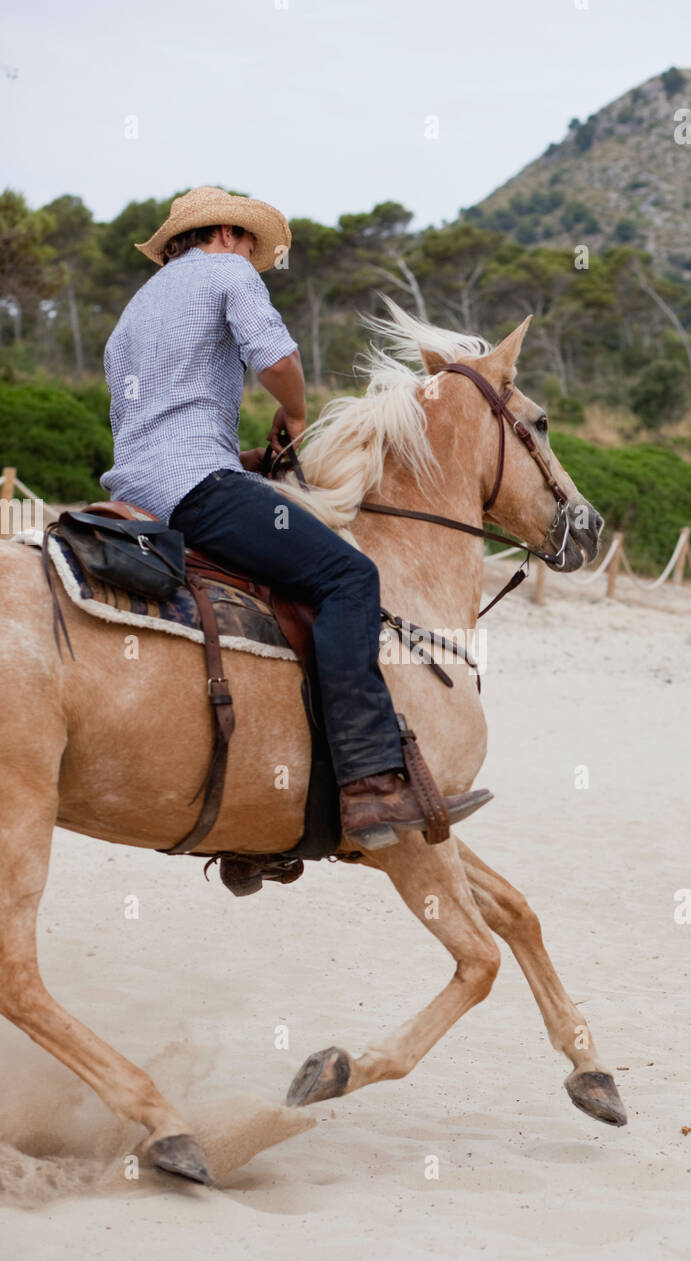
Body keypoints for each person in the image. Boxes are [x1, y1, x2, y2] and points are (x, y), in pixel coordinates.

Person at [100, 186, 490, 850]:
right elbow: (278, 361)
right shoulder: (227, 271)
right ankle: (369, 783)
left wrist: (246, 456)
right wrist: (298, 414)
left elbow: (157, 424)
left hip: (140, 492)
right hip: (198, 488)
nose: (254, 257)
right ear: (226, 234)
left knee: (271, 590)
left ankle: (257, 819)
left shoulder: (132, 314)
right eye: (251, 243)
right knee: (347, 578)